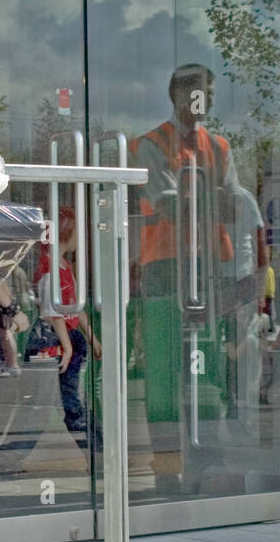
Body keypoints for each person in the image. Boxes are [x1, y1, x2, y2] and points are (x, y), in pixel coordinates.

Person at [128, 63, 237, 492]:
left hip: (210, 267)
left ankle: (204, 458)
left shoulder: (221, 147)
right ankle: (167, 467)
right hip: (164, 268)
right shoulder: (150, 145)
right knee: (164, 371)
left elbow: (234, 204)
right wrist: (209, 197)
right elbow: (167, 201)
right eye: (196, 93)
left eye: (208, 93)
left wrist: (199, 196)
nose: (202, 101)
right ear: (176, 96)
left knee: (207, 368)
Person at [33, 206, 101, 455]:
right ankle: (84, 435)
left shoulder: (62, 266)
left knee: (75, 391)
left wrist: (91, 338)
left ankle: (90, 435)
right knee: (70, 393)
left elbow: (75, 307)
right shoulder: (50, 269)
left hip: (70, 337)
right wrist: (68, 345)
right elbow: (54, 312)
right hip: (61, 338)